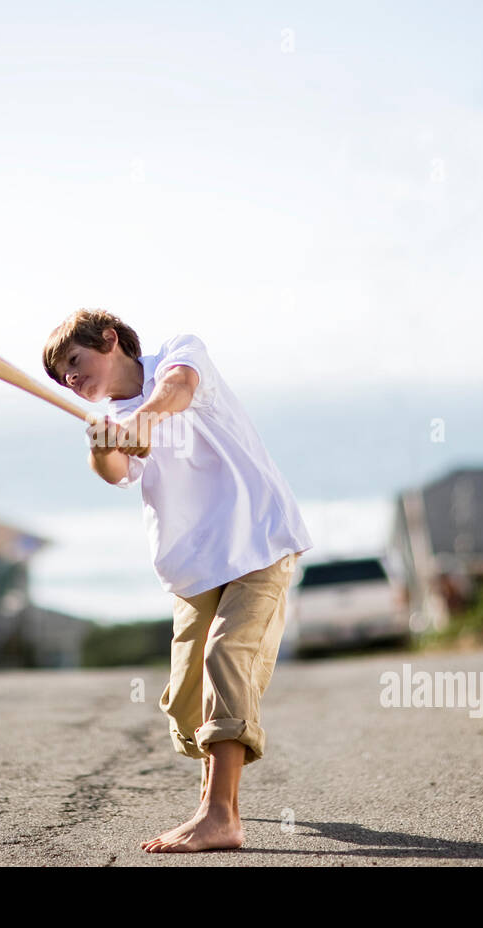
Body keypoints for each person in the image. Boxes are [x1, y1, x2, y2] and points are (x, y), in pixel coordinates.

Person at [43, 307, 313, 852]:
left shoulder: (178, 354)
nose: (71, 379)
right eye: (62, 377)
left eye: (75, 360)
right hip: (192, 566)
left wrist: (146, 419)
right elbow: (117, 472)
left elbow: (178, 389)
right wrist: (104, 447)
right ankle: (218, 776)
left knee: (225, 656)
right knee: (187, 705)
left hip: (256, 539)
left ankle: (221, 815)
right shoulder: (112, 419)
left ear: (110, 339)